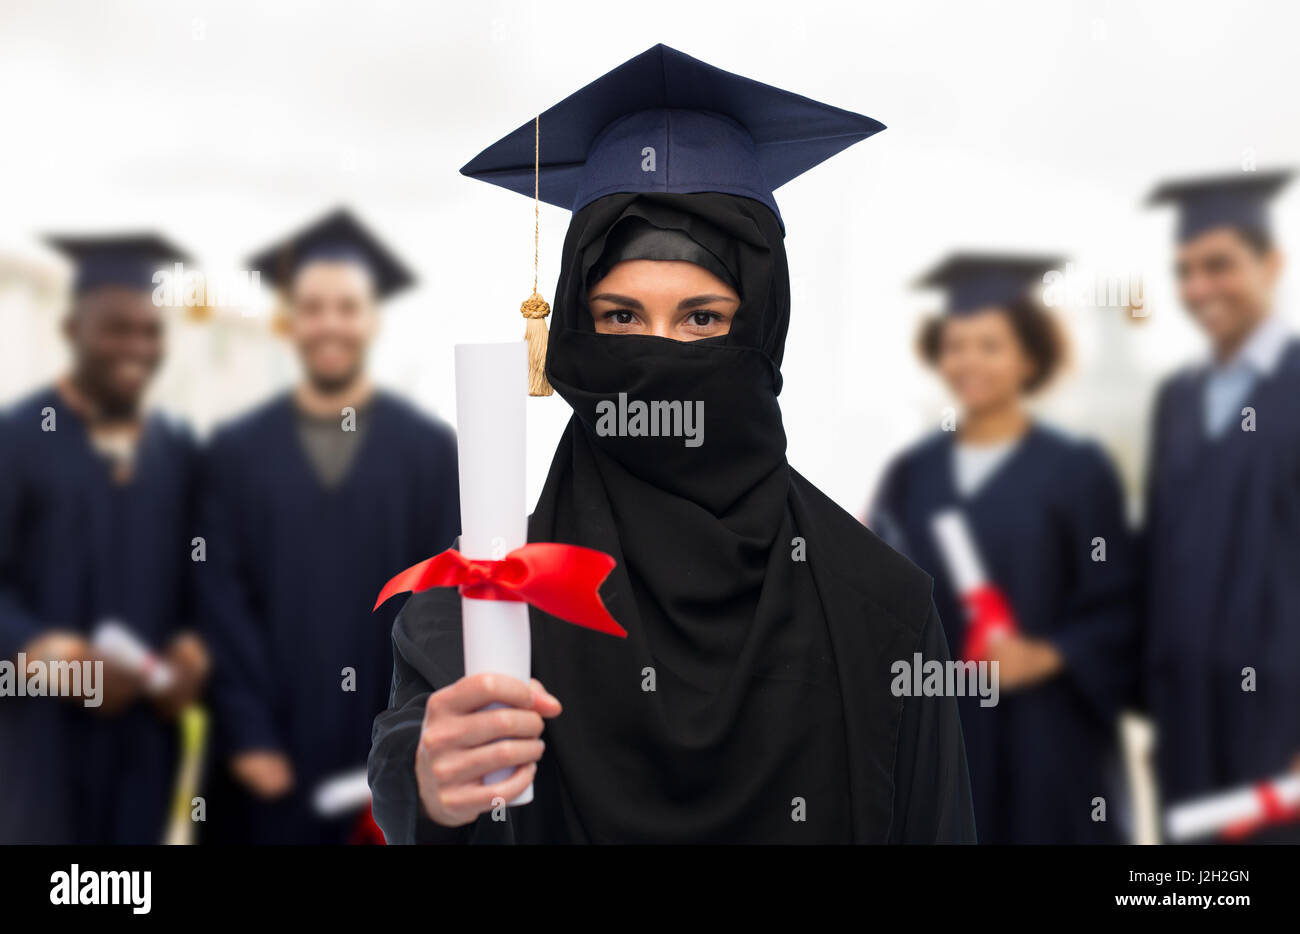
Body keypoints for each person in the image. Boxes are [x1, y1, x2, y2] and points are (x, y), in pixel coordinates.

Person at [369, 44, 976, 844]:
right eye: (621, 319)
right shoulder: (484, 601)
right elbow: (418, 773)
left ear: (761, 327)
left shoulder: (880, 610)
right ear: (576, 336)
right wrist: (431, 784)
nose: (659, 355)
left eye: (702, 320)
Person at [197, 209, 459, 844]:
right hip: (261, 763)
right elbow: (216, 603)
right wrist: (250, 737)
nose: (330, 324)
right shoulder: (234, 452)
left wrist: (411, 739)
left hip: (383, 752)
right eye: (312, 308)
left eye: (347, 306)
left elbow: (444, 602)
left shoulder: (428, 451)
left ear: (370, 318)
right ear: (290, 321)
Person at [870, 254, 1138, 843]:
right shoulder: (912, 475)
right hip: (946, 728)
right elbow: (879, 599)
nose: (969, 362)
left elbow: (1121, 605)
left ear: (1029, 357)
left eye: (990, 345)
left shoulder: (1077, 471)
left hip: (1048, 735)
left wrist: (1044, 656)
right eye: (957, 344)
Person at [0, 234, 208, 843]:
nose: (136, 348)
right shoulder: (16, 443)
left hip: (146, 747)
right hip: (37, 752)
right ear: (71, 328)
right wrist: (48, 658)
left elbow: (206, 579)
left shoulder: (176, 453)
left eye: (149, 332)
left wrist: (194, 654)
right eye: (116, 329)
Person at [1142, 170, 1300, 841]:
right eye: (1184, 271)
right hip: (1187, 727)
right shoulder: (1177, 400)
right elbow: (1158, 559)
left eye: (1218, 266)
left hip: (1281, 727)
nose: (1198, 289)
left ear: (1271, 262)